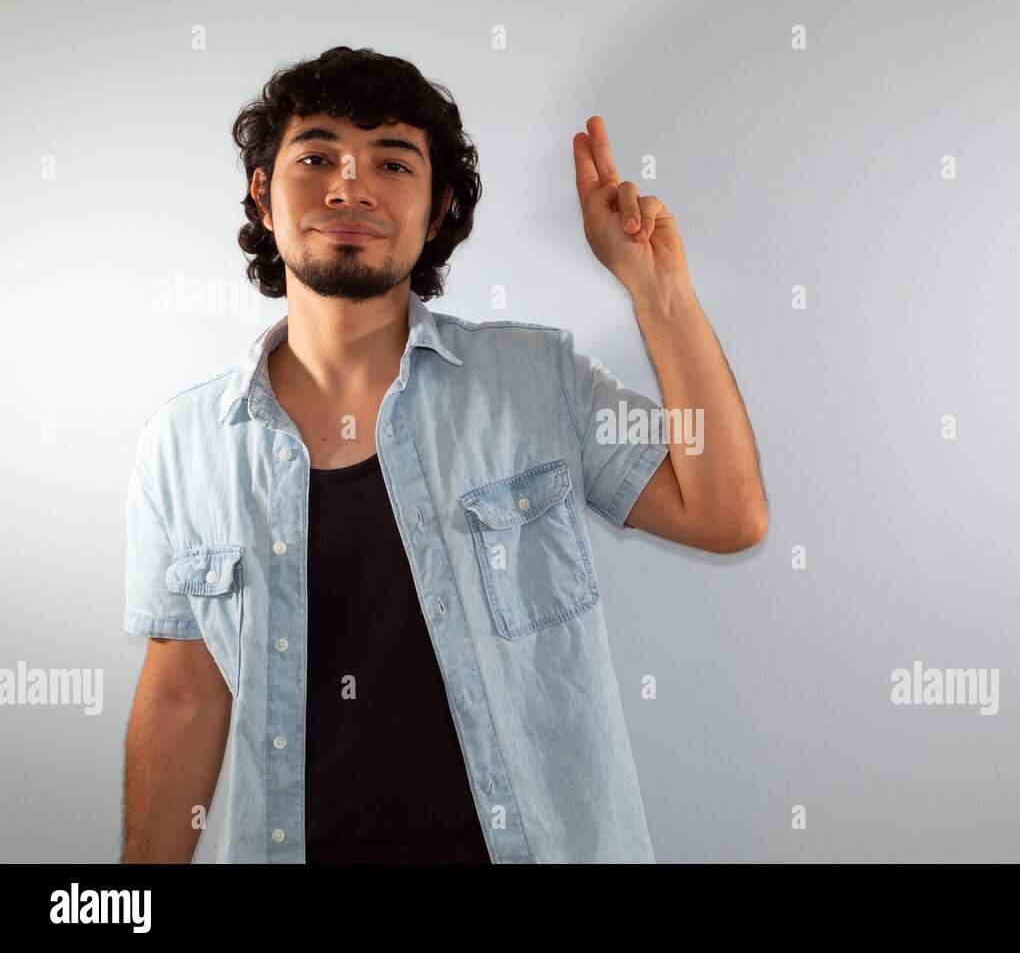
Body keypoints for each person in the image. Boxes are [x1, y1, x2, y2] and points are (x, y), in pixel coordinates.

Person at [120, 46, 766, 864]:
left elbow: (726, 512)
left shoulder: (539, 381)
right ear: (263, 195)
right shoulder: (181, 446)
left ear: (438, 208)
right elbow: (181, 699)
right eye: (316, 156)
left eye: (391, 161)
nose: (349, 185)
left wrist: (656, 289)